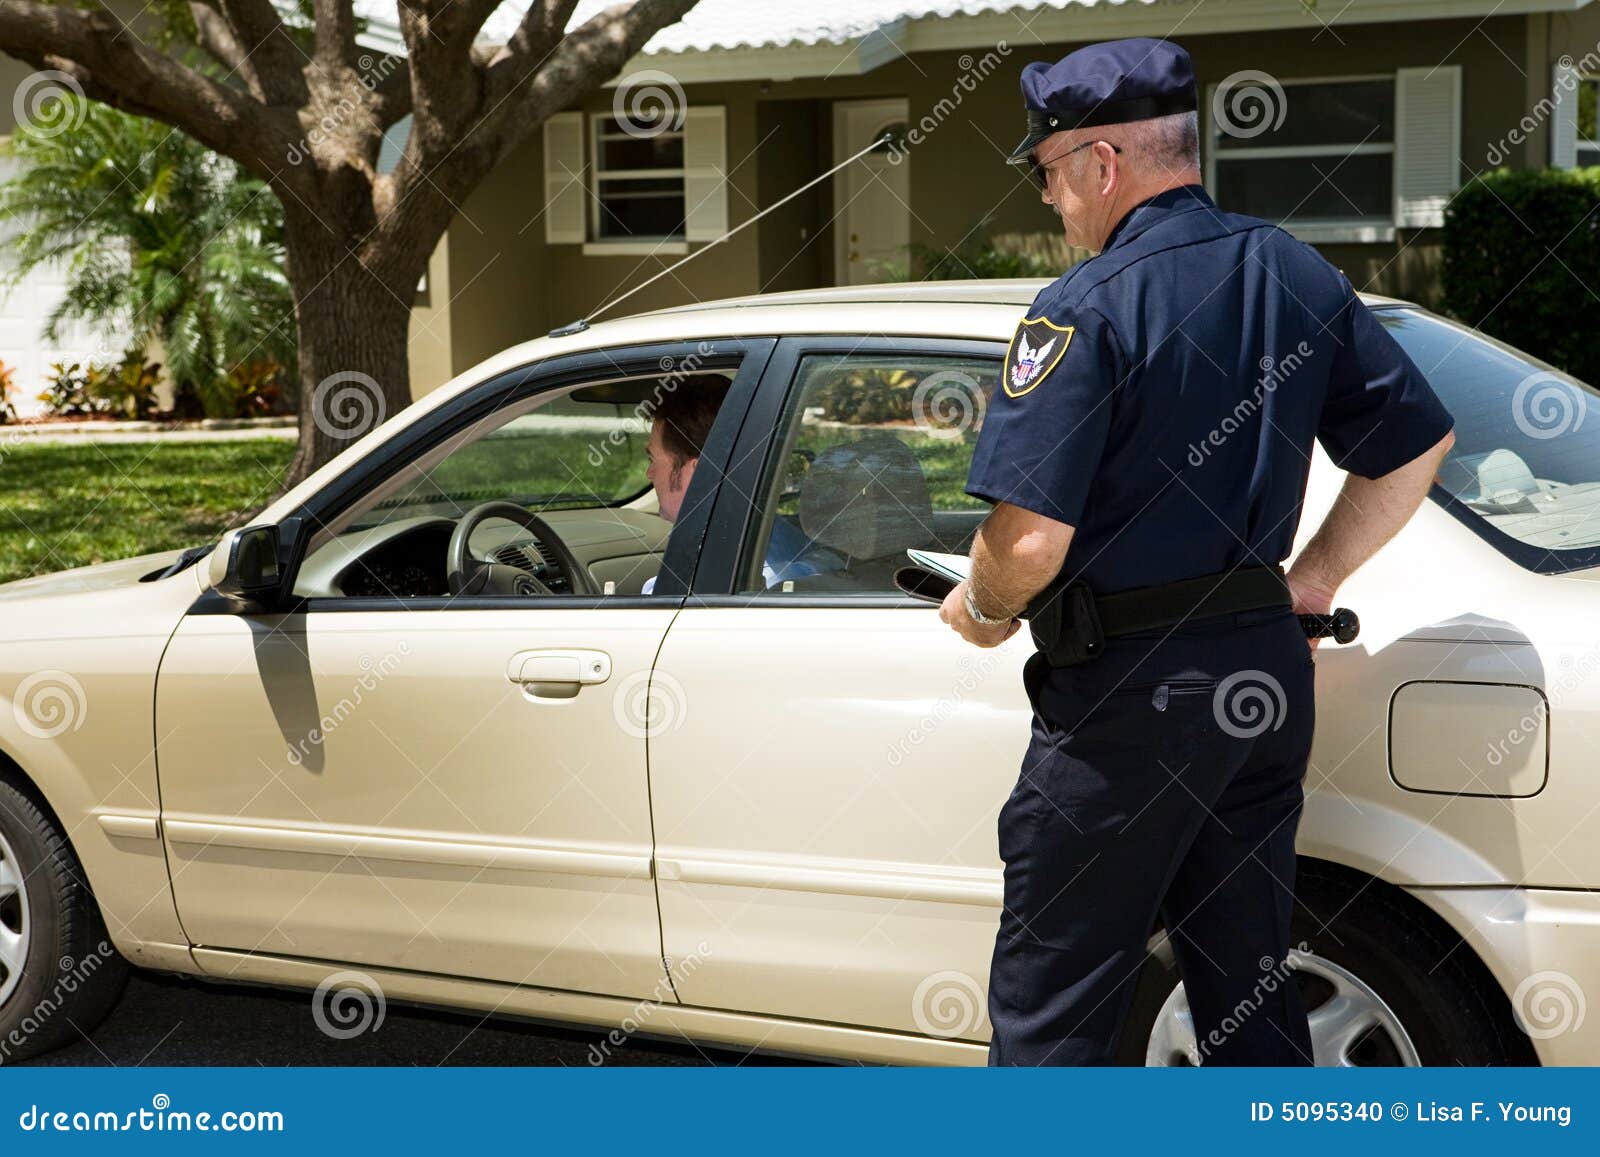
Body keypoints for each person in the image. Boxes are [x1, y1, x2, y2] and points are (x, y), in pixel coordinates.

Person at [939, 37, 1456, 1066]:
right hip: (1258, 681)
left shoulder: (1083, 306)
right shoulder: (1293, 270)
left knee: (1054, 1018)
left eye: (1047, 173)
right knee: (1247, 1001)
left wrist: (982, 605)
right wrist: (1308, 584)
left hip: (1128, 700)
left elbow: (1030, 538)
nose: (1050, 201)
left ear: (1100, 162)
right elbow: (1418, 441)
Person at [640, 382, 830, 593]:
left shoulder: (696, 585)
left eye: (652, 458)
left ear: (699, 472)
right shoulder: (791, 541)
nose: (650, 473)